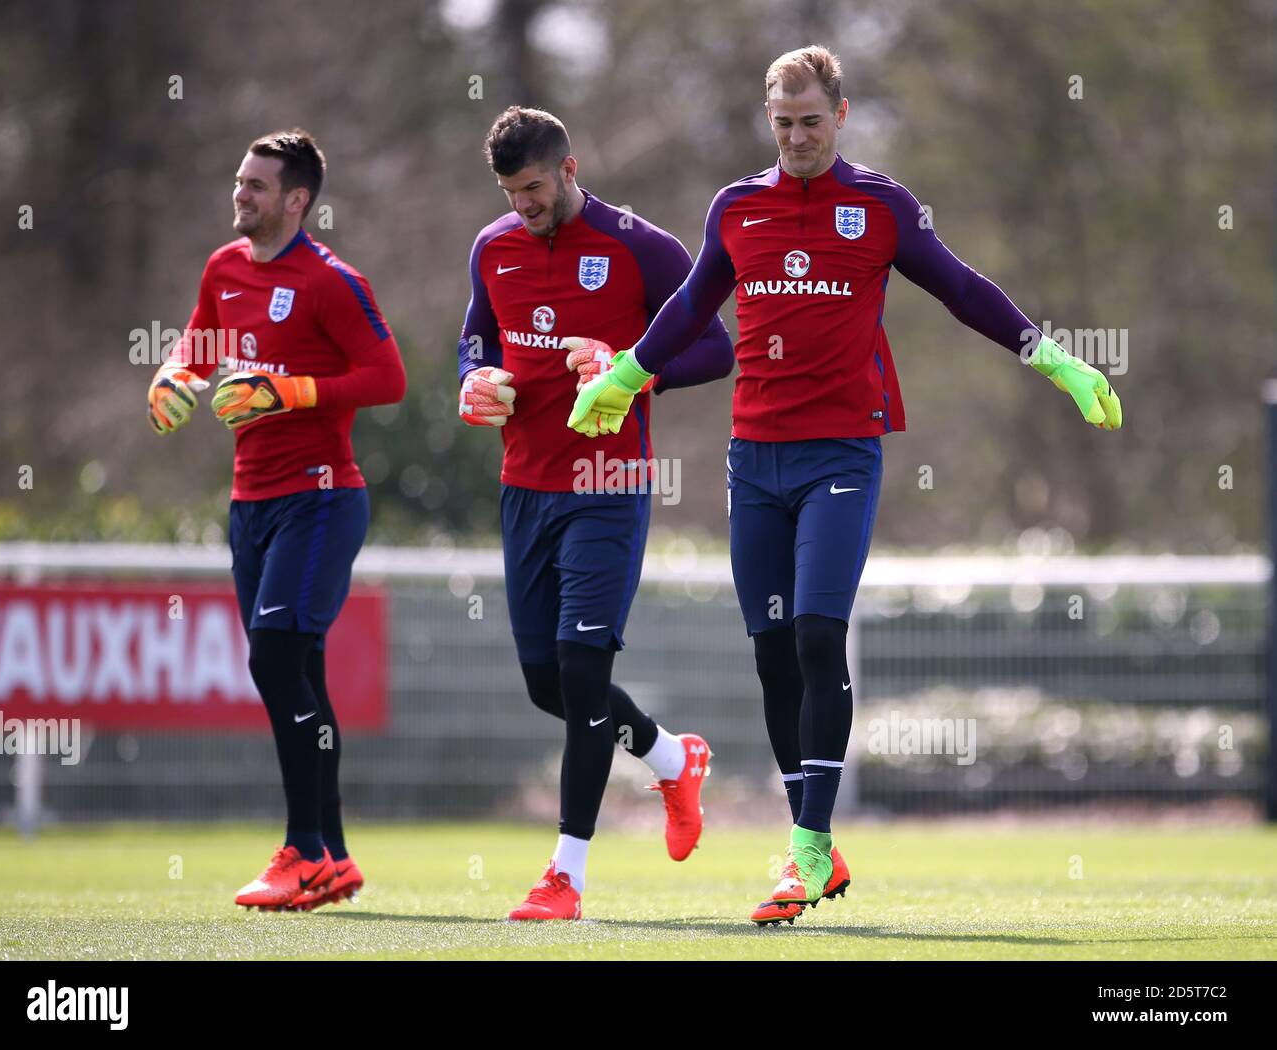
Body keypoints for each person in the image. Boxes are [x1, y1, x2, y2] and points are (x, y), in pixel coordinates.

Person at [567, 46, 1123, 926]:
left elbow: (962, 288)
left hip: (842, 454)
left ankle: (809, 848)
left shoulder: (881, 205)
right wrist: (627, 376)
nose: (795, 138)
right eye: (782, 123)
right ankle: (811, 843)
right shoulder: (736, 207)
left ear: (842, 114)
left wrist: (1052, 358)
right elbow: (688, 309)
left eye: (811, 122)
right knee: (774, 651)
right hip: (755, 457)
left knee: (822, 632)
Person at [458, 107, 735, 920]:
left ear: (569, 168)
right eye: (510, 193)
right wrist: (474, 383)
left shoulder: (642, 248)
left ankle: (566, 877)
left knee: (582, 671)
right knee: (550, 684)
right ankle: (670, 756)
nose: (523, 207)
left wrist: (630, 370)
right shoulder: (492, 247)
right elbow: (476, 340)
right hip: (524, 486)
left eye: (535, 188)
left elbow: (717, 348)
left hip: (608, 484)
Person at [146, 128, 407, 911]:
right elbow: (202, 339)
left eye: (256, 186)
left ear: (297, 201)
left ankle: (302, 852)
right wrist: (173, 374)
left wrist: (289, 391)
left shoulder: (332, 281)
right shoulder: (224, 268)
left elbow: (388, 377)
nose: (241, 195)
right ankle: (337, 857)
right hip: (250, 503)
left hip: (322, 498)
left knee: (272, 658)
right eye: (239, 181)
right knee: (296, 670)